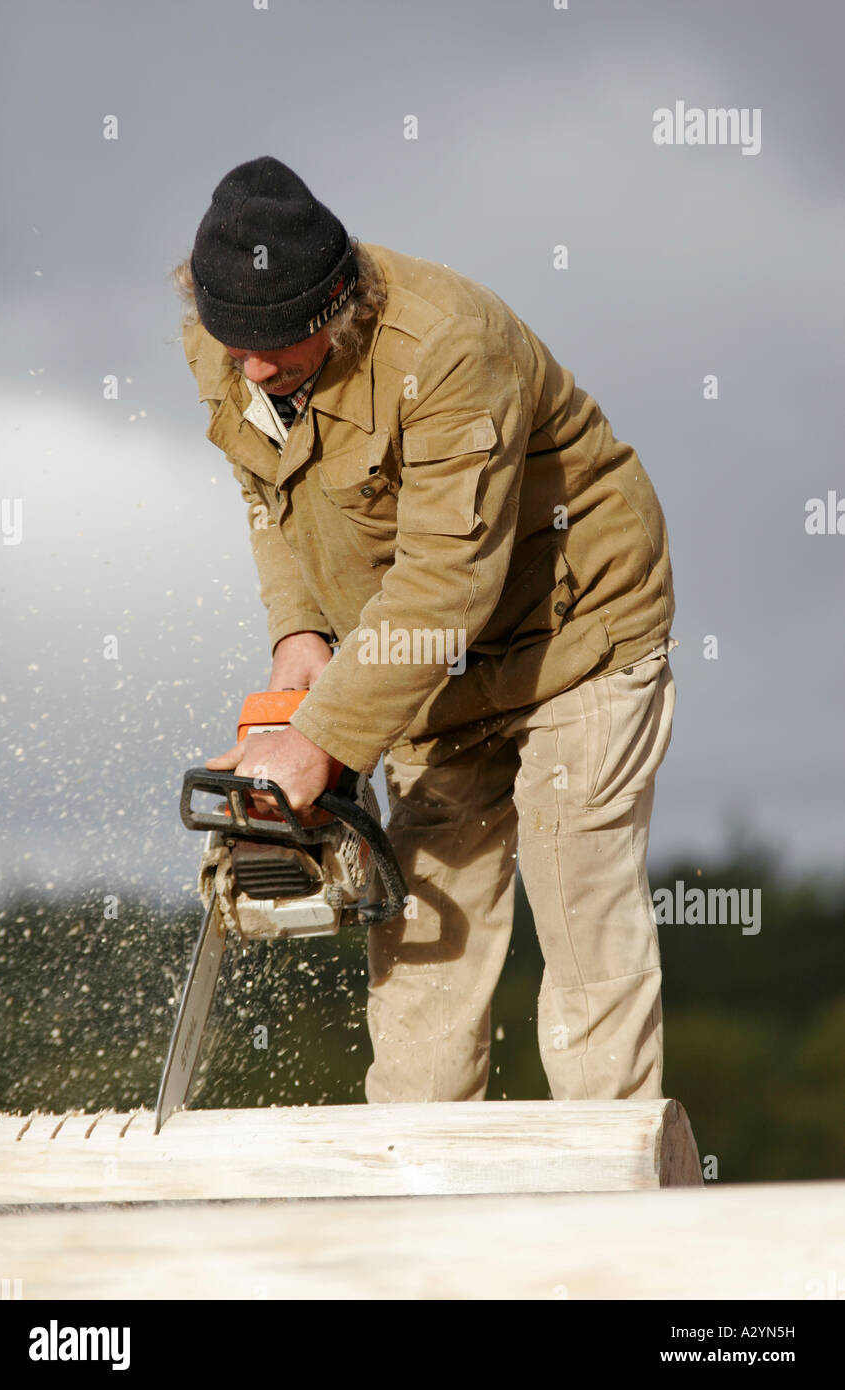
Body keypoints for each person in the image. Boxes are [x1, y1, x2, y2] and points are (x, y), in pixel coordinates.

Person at [173, 155, 677, 1105]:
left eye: (276, 345)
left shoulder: (447, 346)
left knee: (581, 921)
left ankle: (615, 1201)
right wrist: (299, 639)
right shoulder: (225, 342)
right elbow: (270, 500)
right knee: (424, 953)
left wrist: (319, 739)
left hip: (574, 638)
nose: (251, 367)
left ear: (339, 306)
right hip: (417, 669)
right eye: (233, 341)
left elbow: (450, 580)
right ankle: (412, 1202)